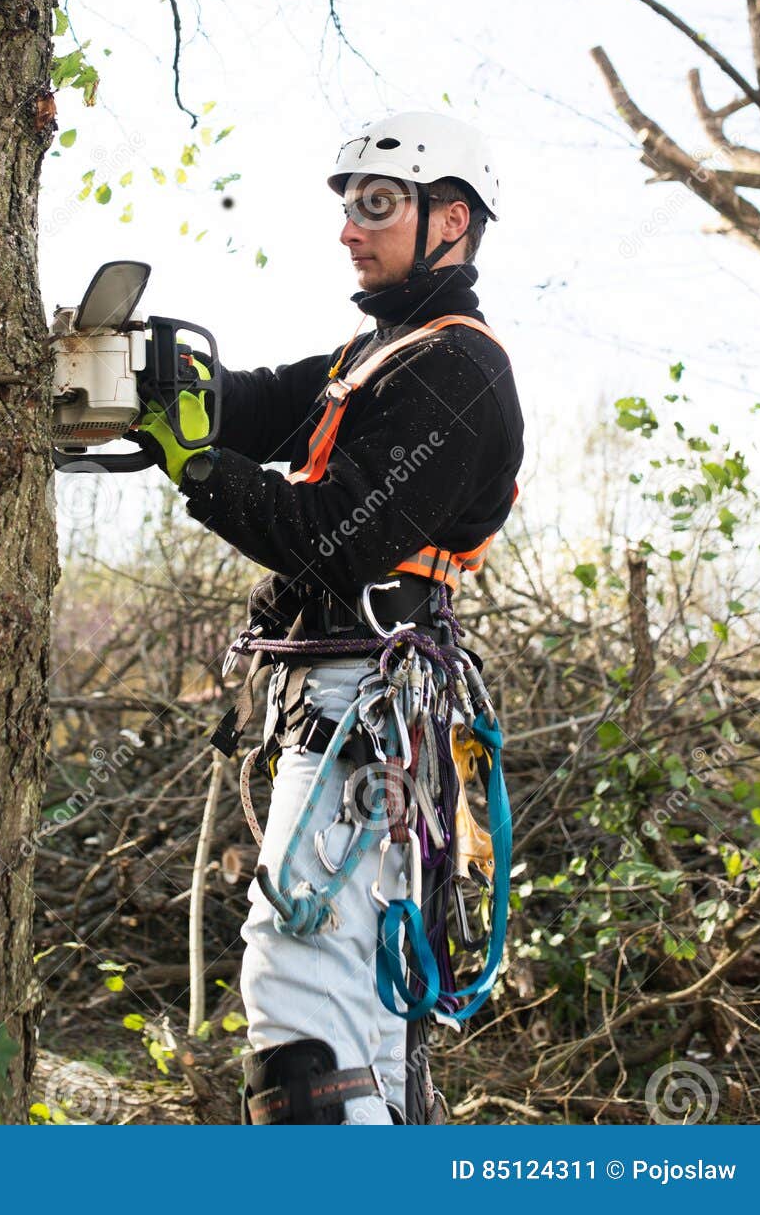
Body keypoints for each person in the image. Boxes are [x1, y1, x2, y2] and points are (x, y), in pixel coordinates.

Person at [137, 110, 523, 1124]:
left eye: (376, 204)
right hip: (352, 710)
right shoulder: (381, 351)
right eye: (347, 205)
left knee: (301, 984)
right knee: (354, 1001)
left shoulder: (457, 372)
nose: (350, 227)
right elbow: (261, 403)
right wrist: (155, 391)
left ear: (452, 218)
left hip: (366, 709)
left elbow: (333, 535)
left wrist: (200, 472)